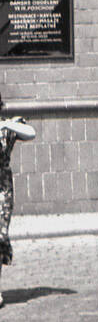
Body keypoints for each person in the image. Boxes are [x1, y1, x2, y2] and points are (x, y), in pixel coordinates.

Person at [0, 96, 37, 307]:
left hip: (2, 187)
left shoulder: (8, 126)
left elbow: (31, 133)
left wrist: (6, 123)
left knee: (0, 236)